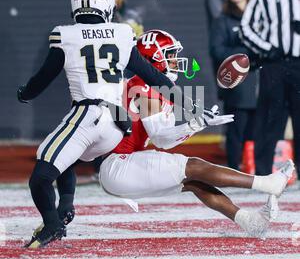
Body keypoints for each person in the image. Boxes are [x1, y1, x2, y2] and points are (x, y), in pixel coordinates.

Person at [17, 0, 206, 248]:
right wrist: (189, 105)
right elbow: (152, 75)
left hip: (87, 114)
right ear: (106, 5)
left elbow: (43, 78)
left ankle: (53, 224)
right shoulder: (121, 32)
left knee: (41, 176)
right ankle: (66, 207)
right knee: (68, 156)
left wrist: (24, 94)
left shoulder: (64, 34)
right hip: (117, 122)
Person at [98, 30, 294, 238]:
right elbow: (161, 138)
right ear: (153, 57)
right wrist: (194, 124)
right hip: (118, 165)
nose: (175, 60)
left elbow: (166, 139)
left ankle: (252, 223)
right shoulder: (143, 85)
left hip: (124, 166)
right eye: (170, 54)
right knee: (193, 166)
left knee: (195, 182)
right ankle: (267, 183)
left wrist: (197, 124)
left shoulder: (161, 87)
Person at [240, 0, 300, 177]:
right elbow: (245, 28)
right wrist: (267, 48)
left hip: (299, 64)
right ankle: (263, 173)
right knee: (269, 118)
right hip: (273, 65)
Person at [210, 0, 258, 170]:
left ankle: (257, 167)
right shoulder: (222, 21)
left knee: (259, 130)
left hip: (261, 84)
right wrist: (245, 55)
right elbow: (216, 50)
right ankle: (233, 169)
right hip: (238, 86)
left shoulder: (259, 18)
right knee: (237, 130)